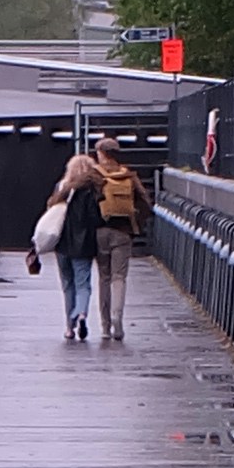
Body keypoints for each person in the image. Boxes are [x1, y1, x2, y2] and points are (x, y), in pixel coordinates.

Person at [31, 142, 104, 342]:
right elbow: (96, 218)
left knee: (67, 285)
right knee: (83, 284)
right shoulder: (93, 190)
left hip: (62, 242)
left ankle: (69, 328)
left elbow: (51, 209)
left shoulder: (63, 188)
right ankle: (81, 314)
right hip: (85, 244)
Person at [90, 135, 150, 344]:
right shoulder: (129, 175)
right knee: (119, 278)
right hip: (123, 232)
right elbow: (145, 202)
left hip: (99, 231)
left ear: (102, 154)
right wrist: (135, 224)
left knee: (103, 277)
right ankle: (118, 318)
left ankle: (105, 326)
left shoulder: (95, 176)